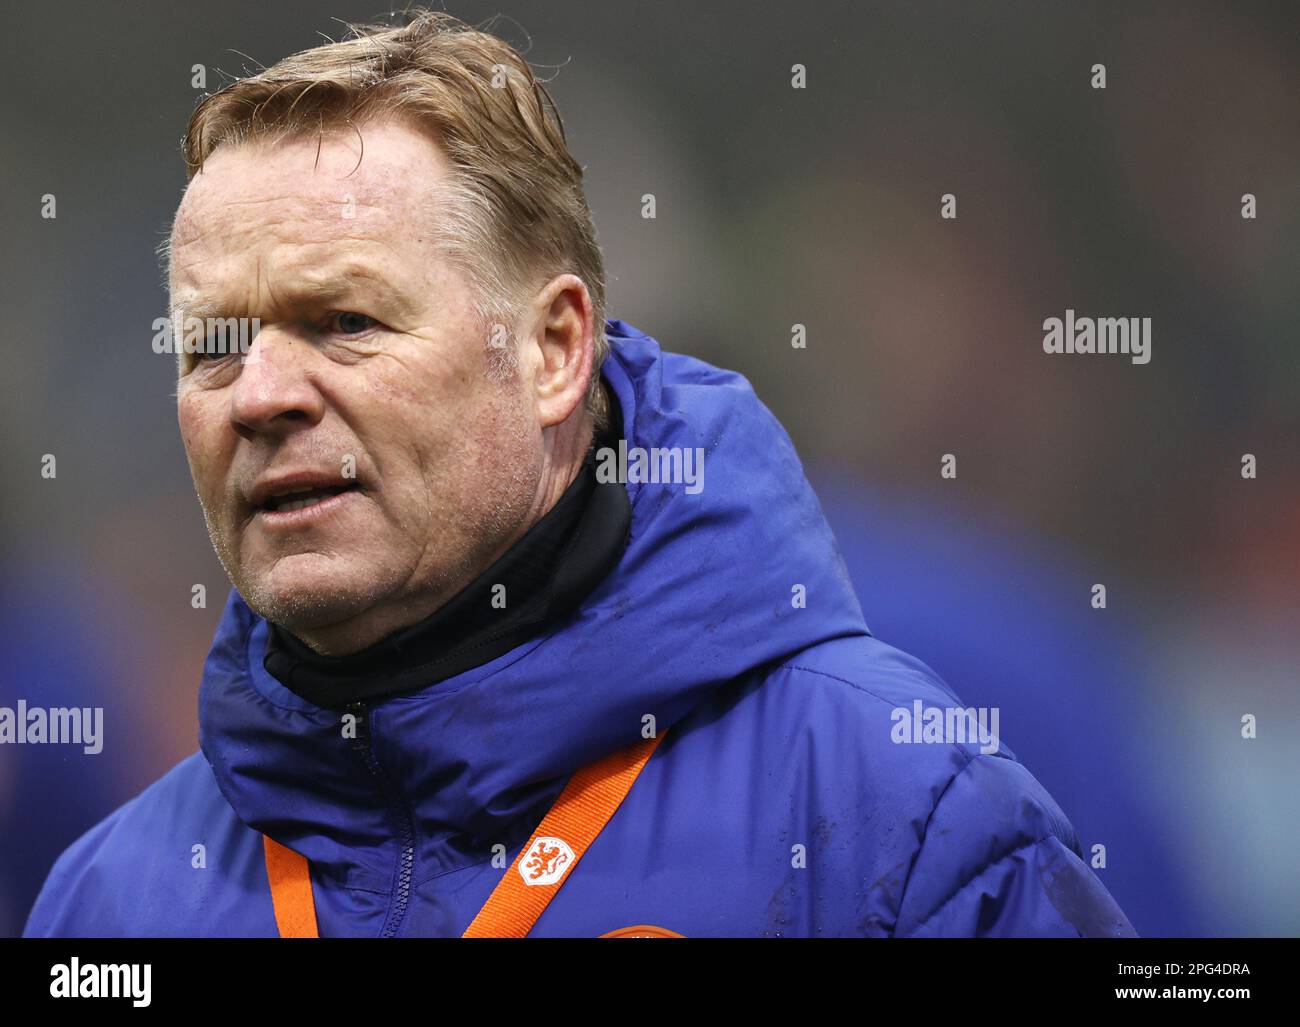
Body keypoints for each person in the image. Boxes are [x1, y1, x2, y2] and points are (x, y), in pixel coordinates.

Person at [25, 10, 1134, 937]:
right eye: (211, 344)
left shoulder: (899, 816)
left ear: (555, 350)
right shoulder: (107, 906)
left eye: (346, 320)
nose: (260, 394)